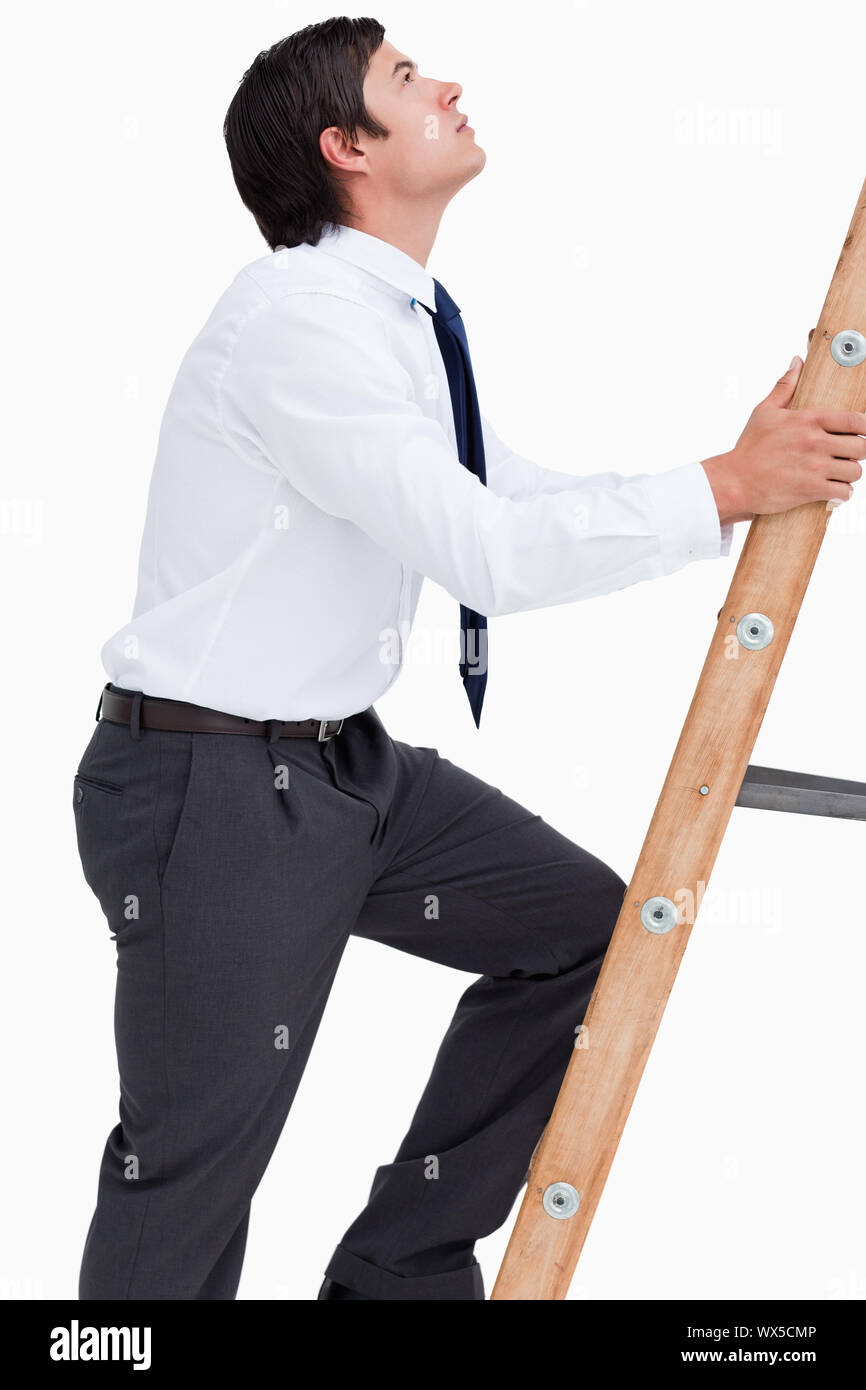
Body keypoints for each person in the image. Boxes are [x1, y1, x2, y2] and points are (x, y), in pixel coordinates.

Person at [72, 16, 865, 1301]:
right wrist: (721, 485)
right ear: (345, 149)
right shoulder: (295, 326)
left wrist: (721, 487)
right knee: (193, 1166)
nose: (445, 84)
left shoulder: (393, 313)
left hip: (345, 774)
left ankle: (393, 1280)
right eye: (403, 81)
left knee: (588, 936)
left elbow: (493, 490)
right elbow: (483, 551)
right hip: (208, 793)